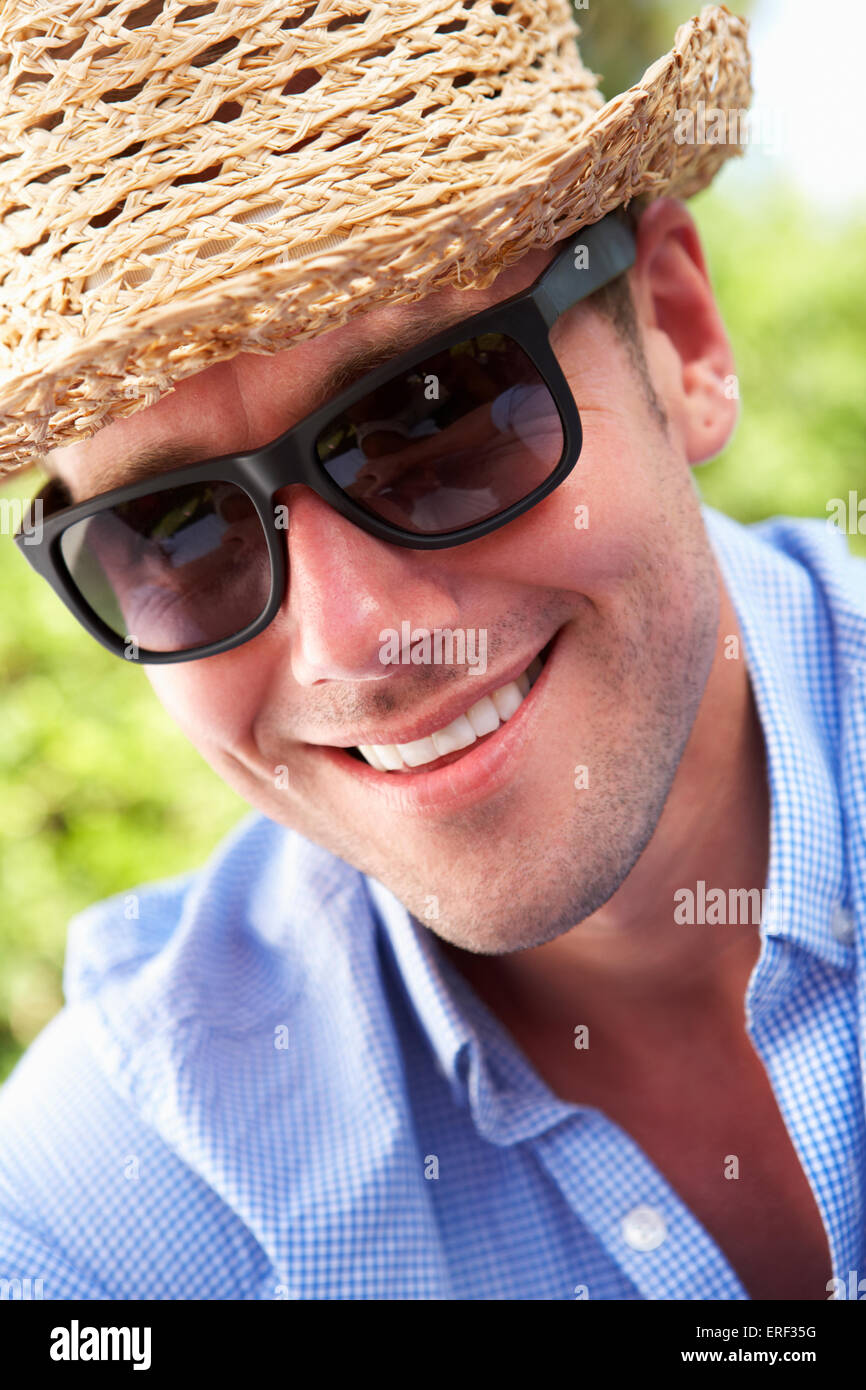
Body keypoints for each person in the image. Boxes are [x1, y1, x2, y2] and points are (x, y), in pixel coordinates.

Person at [0, 2, 863, 1302]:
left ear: (678, 336)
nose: (356, 641)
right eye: (176, 530)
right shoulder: (118, 1203)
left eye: (433, 411)